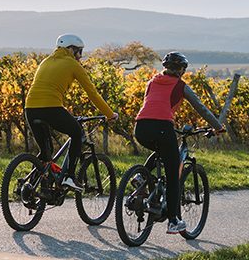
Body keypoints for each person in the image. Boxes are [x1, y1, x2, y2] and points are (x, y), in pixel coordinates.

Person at [134, 51, 225, 234]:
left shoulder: (151, 82)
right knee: (174, 172)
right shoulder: (180, 85)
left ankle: (141, 177)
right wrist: (218, 126)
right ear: (182, 70)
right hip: (162, 127)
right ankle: (174, 220)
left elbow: (150, 104)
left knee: (161, 151)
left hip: (141, 127)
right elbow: (201, 108)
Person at [24, 34, 118, 191]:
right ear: (71, 49)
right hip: (51, 107)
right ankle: (69, 176)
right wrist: (109, 114)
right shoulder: (73, 65)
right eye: (79, 52)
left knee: (46, 152)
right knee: (76, 132)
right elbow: (92, 94)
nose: (80, 57)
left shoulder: (45, 62)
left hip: (30, 108)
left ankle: (30, 186)